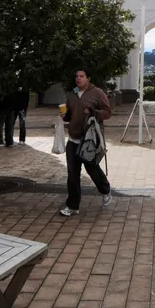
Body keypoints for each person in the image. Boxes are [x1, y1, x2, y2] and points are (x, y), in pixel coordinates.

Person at [59, 69, 113, 217]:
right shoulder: (72, 94)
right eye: (76, 76)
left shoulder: (97, 92)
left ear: (88, 78)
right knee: (72, 174)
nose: (78, 79)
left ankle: (105, 190)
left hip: (88, 140)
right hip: (73, 139)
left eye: (81, 76)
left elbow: (107, 112)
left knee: (92, 169)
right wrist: (65, 116)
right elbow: (69, 116)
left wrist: (94, 111)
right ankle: (73, 205)